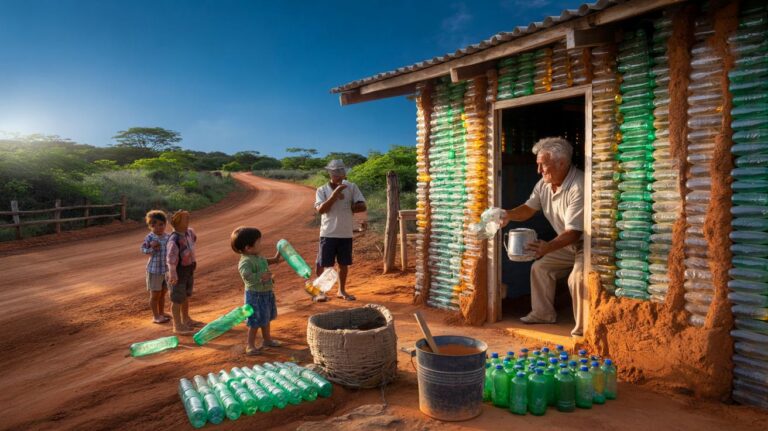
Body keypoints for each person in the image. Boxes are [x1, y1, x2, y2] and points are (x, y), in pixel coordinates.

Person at [501, 137, 585, 337]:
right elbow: (529, 209)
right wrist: (508, 214)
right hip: (564, 243)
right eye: (538, 165)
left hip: (586, 245)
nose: (539, 171)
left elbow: (574, 233)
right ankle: (543, 314)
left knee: (578, 278)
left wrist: (547, 247)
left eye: (543, 166)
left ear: (562, 163)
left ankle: (583, 329)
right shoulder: (544, 184)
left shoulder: (578, 186)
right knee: (540, 268)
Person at [314, 159, 366, 302]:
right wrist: (335, 194)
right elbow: (321, 210)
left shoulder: (351, 187)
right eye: (335, 172)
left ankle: (341, 290)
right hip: (328, 232)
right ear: (330, 173)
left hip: (345, 232)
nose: (339, 175)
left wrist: (355, 206)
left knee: (343, 264)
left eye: (341, 172)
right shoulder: (322, 190)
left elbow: (362, 205)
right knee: (325, 264)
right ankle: (321, 292)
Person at [231, 227, 282, 356]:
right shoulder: (245, 261)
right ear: (248, 247)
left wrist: (276, 257)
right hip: (255, 295)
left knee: (266, 317)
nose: (261, 244)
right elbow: (246, 275)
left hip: (266, 293)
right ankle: (250, 345)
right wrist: (260, 276)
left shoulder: (257, 256)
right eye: (258, 242)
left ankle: (267, 340)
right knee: (255, 321)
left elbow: (265, 261)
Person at [166, 210, 204, 335]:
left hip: (188, 269)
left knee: (185, 296)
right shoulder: (174, 239)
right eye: (185, 219)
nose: (188, 221)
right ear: (177, 222)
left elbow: (193, 241)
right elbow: (171, 258)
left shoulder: (189, 233)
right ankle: (177, 326)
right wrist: (172, 272)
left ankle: (186, 319)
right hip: (178, 271)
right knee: (177, 298)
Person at [140, 210, 171, 324]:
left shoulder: (168, 237)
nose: (158, 227)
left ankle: (161, 313)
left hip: (166, 270)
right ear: (150, 226)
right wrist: (152, 248)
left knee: (163, 293)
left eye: (161, 224)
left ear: (165, 224)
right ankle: (155, 316)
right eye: (154, 225)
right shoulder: (149, 237)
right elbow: (143, 250)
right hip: (154, 270)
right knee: (155, 294)